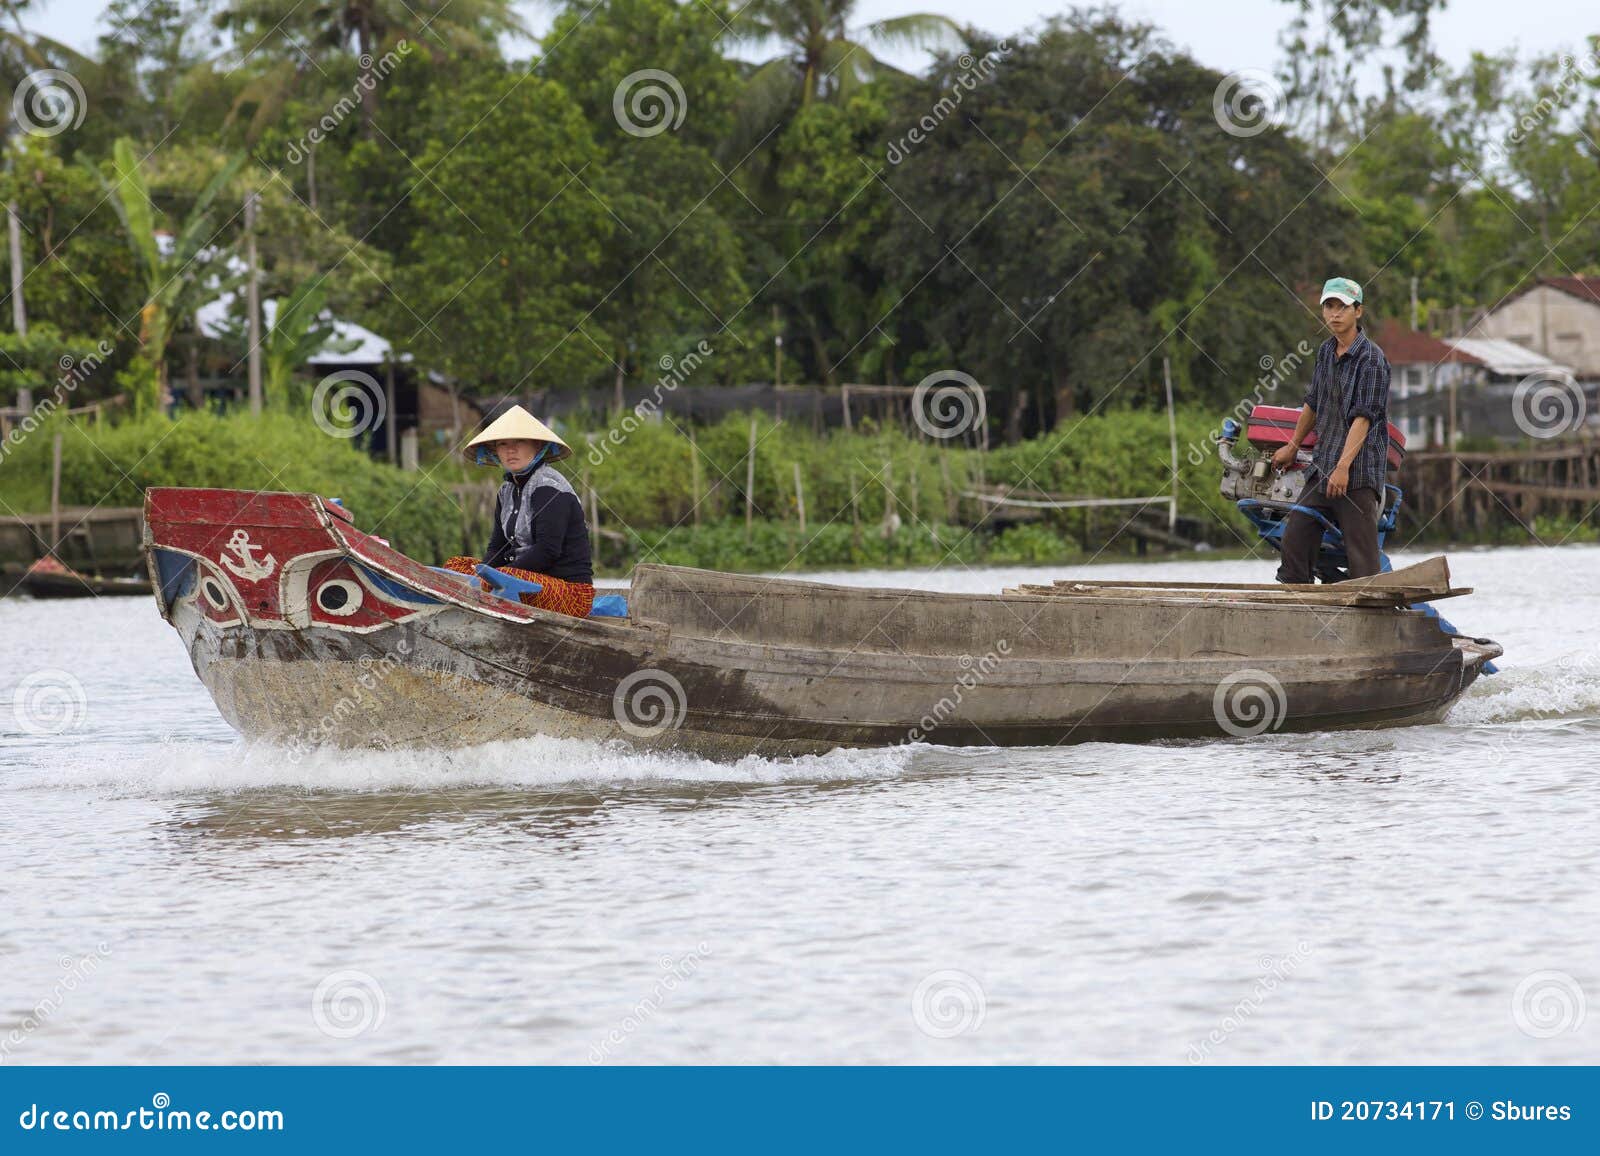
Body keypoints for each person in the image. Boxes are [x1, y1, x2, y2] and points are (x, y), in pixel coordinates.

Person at [1271, 276, 1392, 583]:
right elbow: (1313, 402)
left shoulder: (1372, 360)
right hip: (1323, 466)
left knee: (1362, 561)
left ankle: (1369, 612)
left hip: (1359, 472)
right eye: (1329, 306)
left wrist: (1343, 468)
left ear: (1358, 312)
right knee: (1295, 538)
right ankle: (1296, 605)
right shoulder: (1326, 352)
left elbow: (1363, 418)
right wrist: (1293, 444)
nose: (1335, 313)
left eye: (1342, 307)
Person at [441, 405, 595, 617]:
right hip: (522, 578)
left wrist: (496, 576)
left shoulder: (548, 487)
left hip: (570, 592)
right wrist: (483, 573)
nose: (510, 450)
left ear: (537, 445)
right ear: (496, 450)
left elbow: (547, 551)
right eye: (503, 444)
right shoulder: (506, 491)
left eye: (519, 442)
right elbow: (497, 546)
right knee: (456, 566)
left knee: (498, 579)